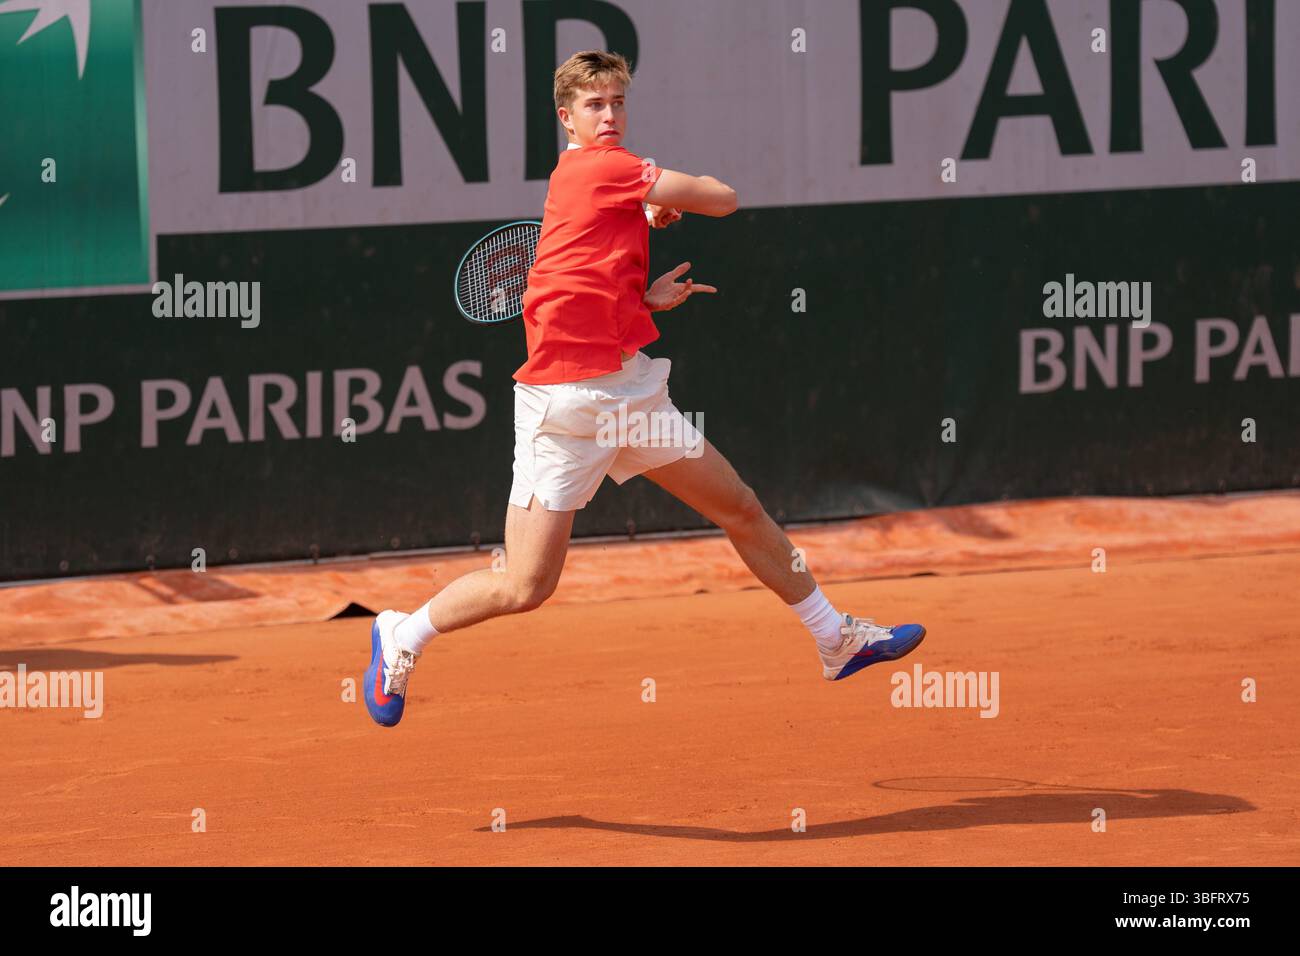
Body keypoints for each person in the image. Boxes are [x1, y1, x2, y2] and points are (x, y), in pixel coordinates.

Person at [364, 50, 924, 727]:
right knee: (525, 585)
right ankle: (402, 633)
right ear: (566, 117)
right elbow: (723, 199)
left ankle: (834, 638)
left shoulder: (604, 187)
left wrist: (643, 297)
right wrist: (663, 193)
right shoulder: (606, 169)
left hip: (631, 397)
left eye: (618, 103)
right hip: (564, 413)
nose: (610, 116)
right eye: (595, 105)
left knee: (739, 507)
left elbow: (584, 291)